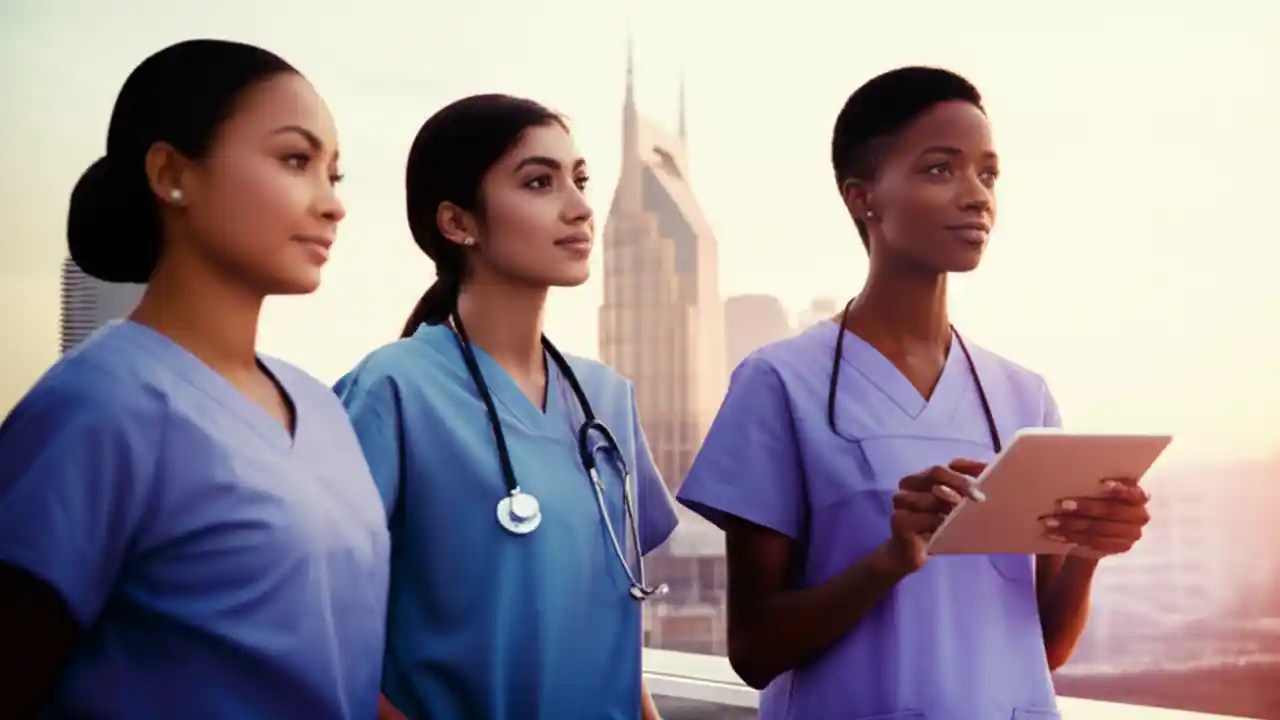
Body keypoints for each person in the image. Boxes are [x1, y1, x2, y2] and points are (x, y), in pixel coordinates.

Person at [676, 66, 1152, 719]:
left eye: (988, 174)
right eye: (940, 170)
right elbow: (755, 651)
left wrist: (1087, 555)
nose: (976, 195)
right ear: (861, 196)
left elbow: (1041, 647)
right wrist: (891, 561)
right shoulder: (780, 383)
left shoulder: (1023, 397)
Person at [0, 40, 389, 719]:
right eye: (296, 160)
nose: (332, 204)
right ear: (172, 172)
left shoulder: (321, 410)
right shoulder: (98, 406)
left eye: (335, 173)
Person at [335, 93, 678, 720]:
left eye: (579, 180)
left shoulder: (605, 400)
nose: (579, 208)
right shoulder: (393, 391)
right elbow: (318, 625)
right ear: (457, 223)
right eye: (540, 182)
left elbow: (609, 626)